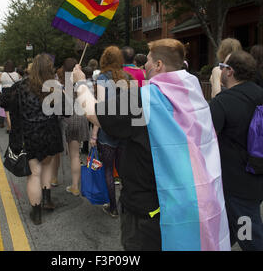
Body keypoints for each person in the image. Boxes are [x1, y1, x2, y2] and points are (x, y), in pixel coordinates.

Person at [72, 39, 230, 251]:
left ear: (158, 65)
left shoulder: (144, 98)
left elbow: (94, 113)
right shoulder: (194, 92)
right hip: (189, 199)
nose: (144, 65)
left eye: (147, 61)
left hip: (148, 210)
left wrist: (80, 83)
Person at [209, 50, 263, 251]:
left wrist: (214, 84)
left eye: (222, 67)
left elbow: (205, 136)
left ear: (229, 72)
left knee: (251, 236)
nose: (220, 71)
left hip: (238, 182)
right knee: (233, 225)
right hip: (262, 175)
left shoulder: (224, 101)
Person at [4, 54, 64, 225]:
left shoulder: (20, 86)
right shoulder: (54, 87)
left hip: (30, 135)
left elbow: (3, 102)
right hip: (50, 135)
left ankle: (36, 213)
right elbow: (67, 111)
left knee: (34, 174)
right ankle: (46, 200)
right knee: (46, 167)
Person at [93, 46, 129, 217]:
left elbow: (100, 109)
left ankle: (113, 207)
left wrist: (94, 134)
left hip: (107, 131)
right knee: (123, 171)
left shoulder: (101, 78)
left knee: (108, 170)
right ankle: (126, 206)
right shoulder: (127, 77)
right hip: (124, 130)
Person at [59, 58, 89, 196]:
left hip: (68, 118)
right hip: (81, 118)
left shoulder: (62, 82)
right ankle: (75, 186)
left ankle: (55, 179)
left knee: (69, 154)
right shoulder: (83, 82)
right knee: (76, 155)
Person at [0, 60, 21, 133]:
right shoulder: (17, 75)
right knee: (15, 111)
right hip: (15, 94)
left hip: (5, 93)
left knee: (7, 111)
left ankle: (10, 127)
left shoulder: (1, 75)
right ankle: (12, 127)